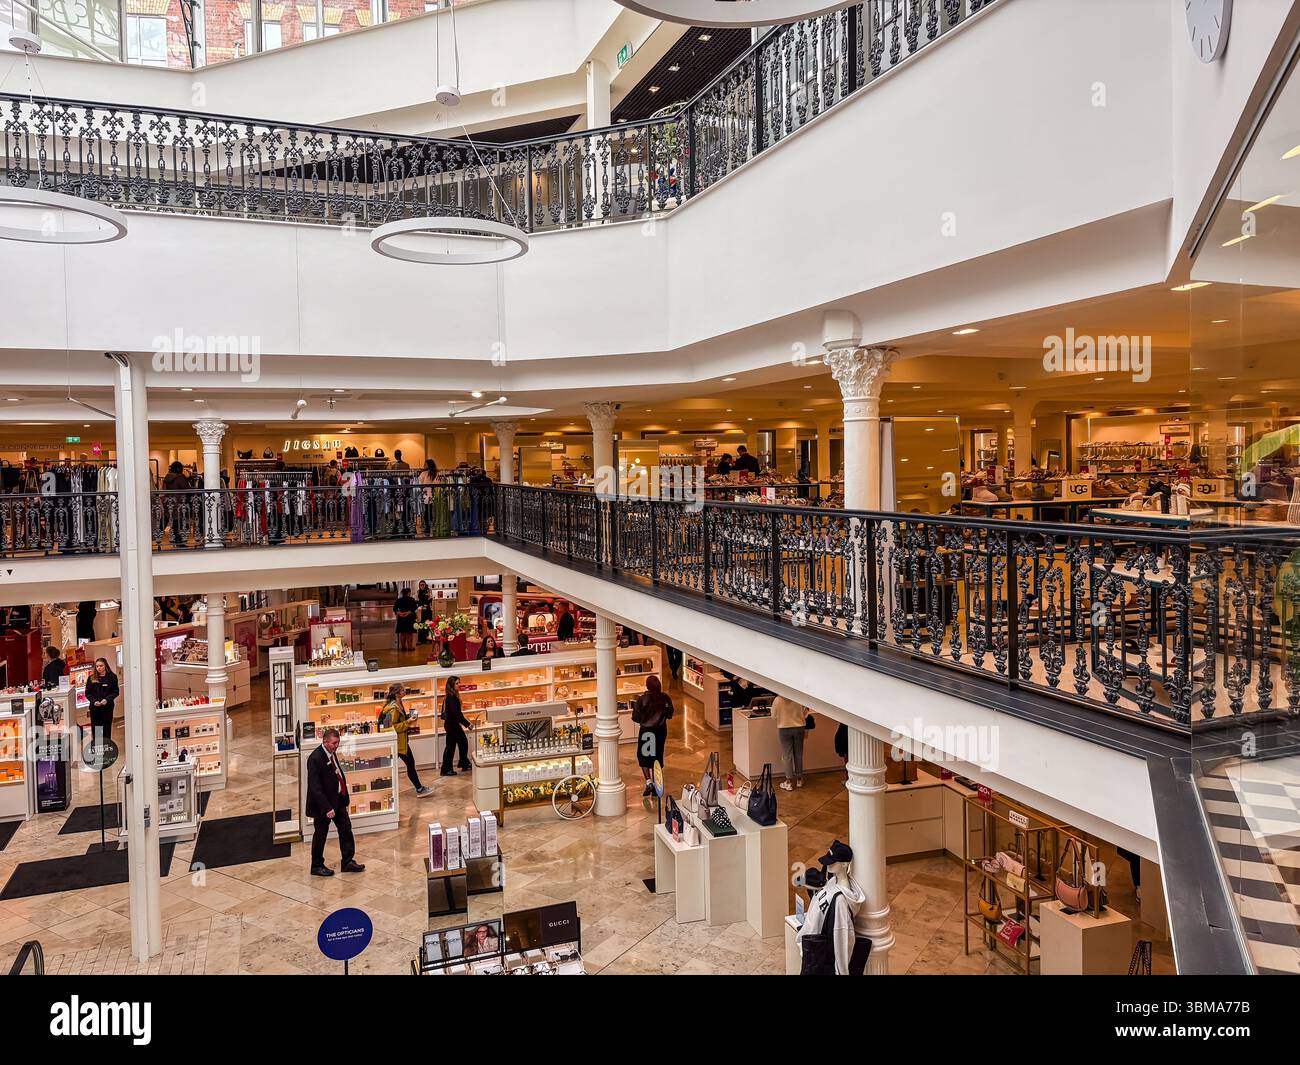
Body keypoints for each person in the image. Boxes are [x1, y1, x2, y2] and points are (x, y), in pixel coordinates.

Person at [306, 727, 366, 877]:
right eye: (334, 743)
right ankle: (316, 865)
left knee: (346, 829)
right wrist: (327, 808)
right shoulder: (315, 759)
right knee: (321, 835)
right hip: (323, 806)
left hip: (338, 801)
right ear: (324, 741)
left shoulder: (331, 753)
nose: (336, 745)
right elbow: (315, 787)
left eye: (338, 742)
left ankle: (347, 861)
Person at [382, 682, 432, 796]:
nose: (405, 692)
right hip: (399, 743)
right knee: (409, 764)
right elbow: (393, 727)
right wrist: (408, 722)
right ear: (397, 693)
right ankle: (419, 789)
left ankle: (417, 788)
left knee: (404, 764)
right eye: (403, 690)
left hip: (401, 741)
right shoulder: (394, 708)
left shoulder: (398, 704)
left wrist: (408, 718)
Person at [631, 674, 674, 797]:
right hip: (660, 731)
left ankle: (649, 782)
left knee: (644, 757)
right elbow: (670, 714)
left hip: (647, 732)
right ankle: (656, 785)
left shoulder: (642, 699)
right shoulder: (665, 698)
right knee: (657, 757)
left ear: (647, 686)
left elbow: (636, 717)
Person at [773, 694, 809, 791]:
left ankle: (788, 782)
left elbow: (773, 715)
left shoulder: (777, 700)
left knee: (786, 755)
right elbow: (805, 713)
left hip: (783, 728)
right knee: (798, 754)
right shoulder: (799, 697)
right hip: (799, 728)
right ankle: (799, 779)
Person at [440, 675, 472, 776]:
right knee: (452, 746)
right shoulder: (452, 697)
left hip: (451, 724)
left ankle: (463, 763)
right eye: (457, 683)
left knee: (460, 743)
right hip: (452, 725)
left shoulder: (449, 696)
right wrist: (468, 724)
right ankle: (446, 769)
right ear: (452, 685)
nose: (459, 685)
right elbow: (457, 714)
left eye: (459, 683)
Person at [84, 657, 118, 741]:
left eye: (101, 666)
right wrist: (94, 701)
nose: (99, 668)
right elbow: (88, 693)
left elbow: (116, 692)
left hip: (107, 707)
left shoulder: (112, 677)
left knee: (106, 727)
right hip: (95, 708)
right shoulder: (91, 678)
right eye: (97, 666)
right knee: (96, 728)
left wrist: (107, 699)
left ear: (105, 666)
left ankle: (107, 746)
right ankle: (97, 746)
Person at [162, 461, 191, 546]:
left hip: (169, 502)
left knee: (171, 521)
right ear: (179, 468)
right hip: (179, 503)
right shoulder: (180, 478)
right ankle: (179, 540)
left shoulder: (167, 478)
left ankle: (156, 536)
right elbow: (186, 489)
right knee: (179, 522)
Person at [394, 587, 418, 652]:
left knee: (402, 633)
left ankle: (403, 648)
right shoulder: (412, 599)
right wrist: (408, 612)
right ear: (408, 593)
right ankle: (410, 648)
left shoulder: (399, 600)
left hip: (401, 618)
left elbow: (395, 609)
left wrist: (400, 613)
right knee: (409, 633)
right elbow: (415, 608)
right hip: (410, 618)